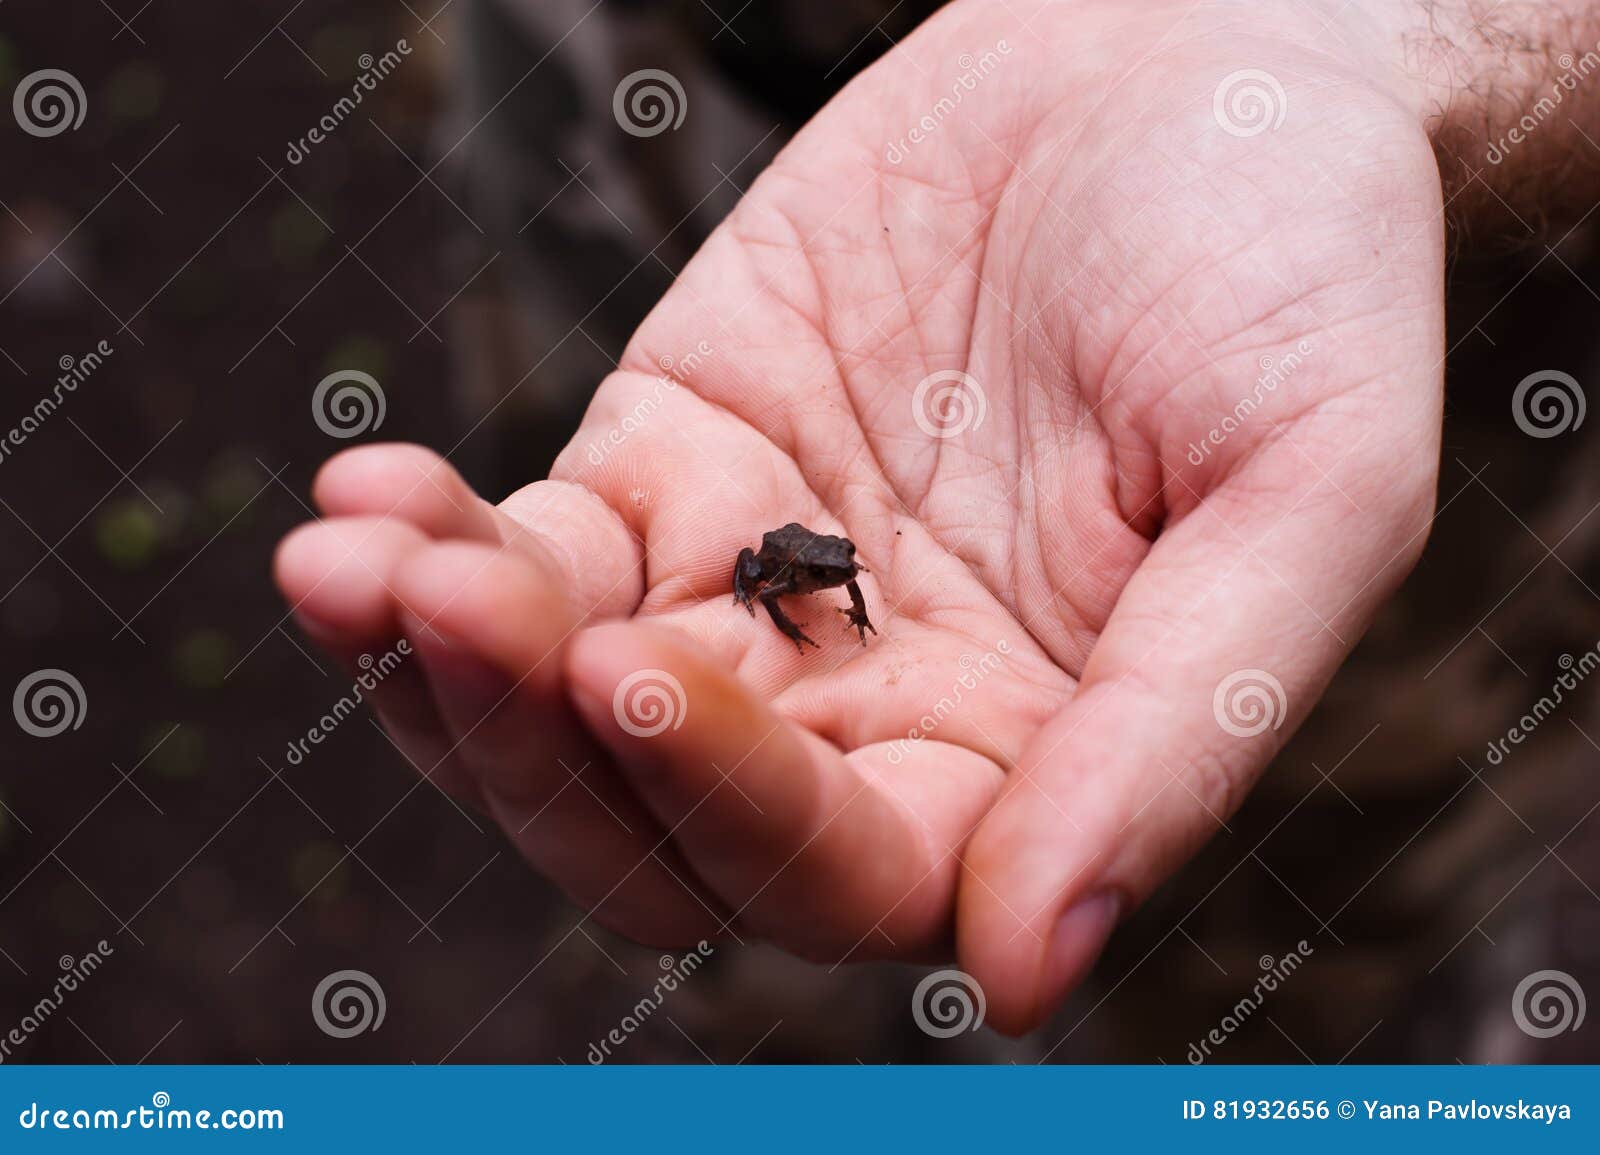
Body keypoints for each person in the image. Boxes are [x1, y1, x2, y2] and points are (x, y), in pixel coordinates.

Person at [274, 0, 1596, 1036]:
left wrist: (1359, 32)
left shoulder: (828, 573)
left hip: (1427, 268)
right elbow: (765, 568)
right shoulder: (775, 550)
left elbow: (813, 578)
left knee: (1302, 916)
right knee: (605, 637)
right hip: (630, 76)